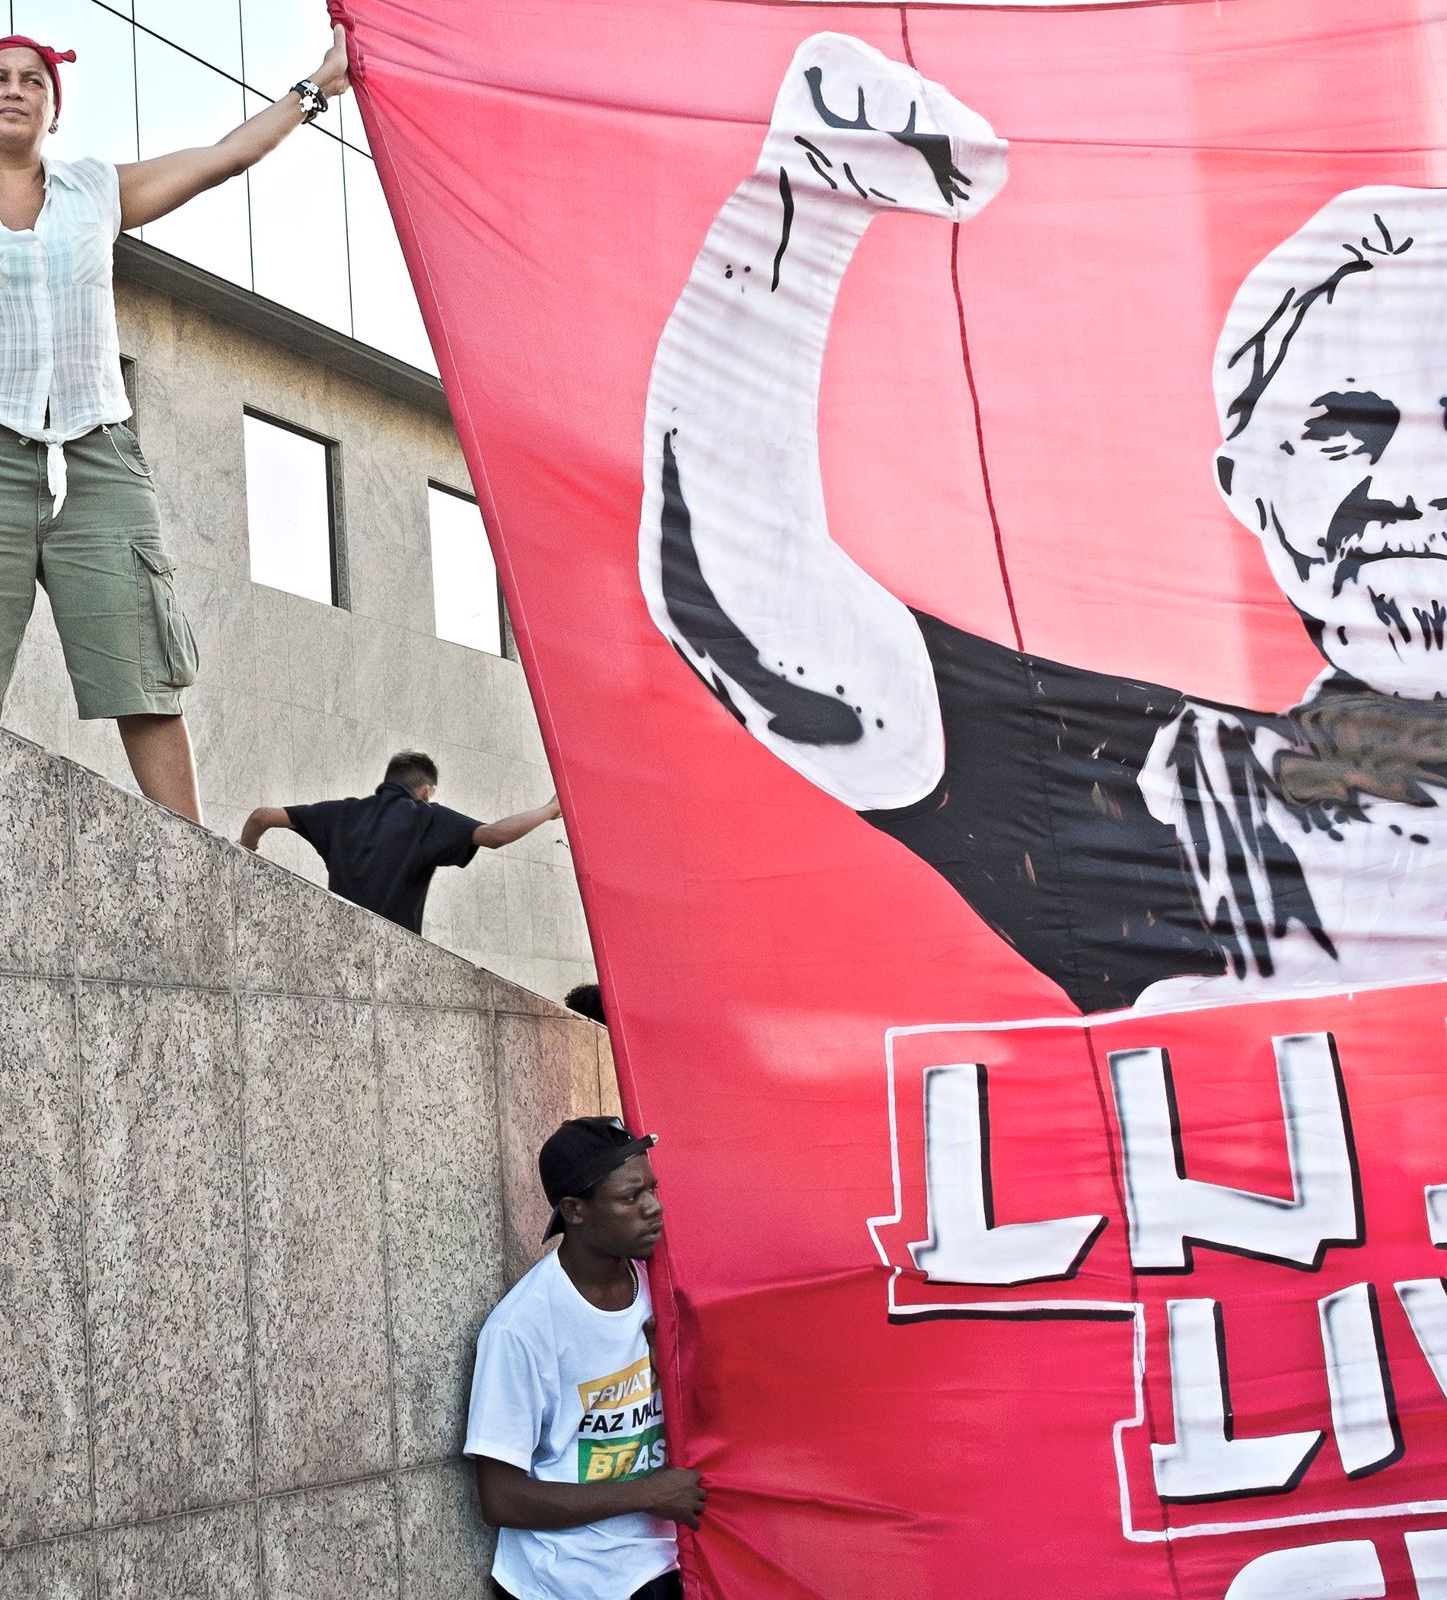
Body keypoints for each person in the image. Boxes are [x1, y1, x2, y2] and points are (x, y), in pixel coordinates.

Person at [639, 30, 1447, 1013]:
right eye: (1343, 428)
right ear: (1250, 488)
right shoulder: (1189, 809)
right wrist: (804, 205)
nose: (1414, 482)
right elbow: (758, 614)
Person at [0, 31, 352, 822]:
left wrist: (314, 89)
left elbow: (221, 158)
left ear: (53, 111)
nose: (16, 88)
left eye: (34, 80)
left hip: (96, 459)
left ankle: (200, 874)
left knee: (143, 675)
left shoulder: (93, 192)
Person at [465, 1116, 706, 1600]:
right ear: (574, 1211)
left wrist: (682, 1356)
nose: (654, 1207)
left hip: (669, 1558)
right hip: (568, 1578)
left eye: (652, 1189)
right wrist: (646, 1494)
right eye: (631, 1197)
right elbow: (500, 1498)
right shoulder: (521, 1328)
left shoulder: (663, 1287)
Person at [239, 749, 563, 934]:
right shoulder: (426, 818)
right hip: (396, 957)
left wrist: (246, 850)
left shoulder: (340, 813)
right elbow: (495, 835)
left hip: (339, 945)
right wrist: (549, 810)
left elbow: (261, 817)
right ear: (426, 790)